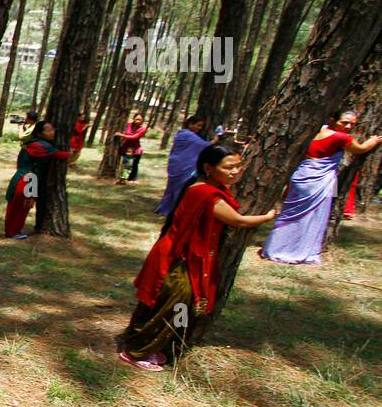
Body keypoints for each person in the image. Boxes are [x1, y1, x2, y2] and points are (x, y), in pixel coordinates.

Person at [118, 144, 277, 370]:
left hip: (184, 257)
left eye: (238, 166)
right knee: (171, 304)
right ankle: (137, 352)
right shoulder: (204, 192)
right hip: (176, 258)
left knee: (177, 304)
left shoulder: (212, 187)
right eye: (228, 167)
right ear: (208, 168)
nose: (235, 172)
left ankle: (161, 345)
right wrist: (268, 216)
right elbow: (237, 220)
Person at [259, 110, 382, 265]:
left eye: (352, 124)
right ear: (333, 120)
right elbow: (360, 149)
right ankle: (294, 249)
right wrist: (373, 141)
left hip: (300, 176)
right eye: (344, 122)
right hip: (317, 181)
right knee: (311, 216)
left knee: (290, 213)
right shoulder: (341, 137)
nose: (349, 126)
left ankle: (275, 246)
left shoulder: (317, 129)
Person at [3, 120, 69, 238]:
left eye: (52, 129)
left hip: (24, 177)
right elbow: (61, 155)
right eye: (47, 130)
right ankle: (13, 232)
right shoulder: (41, 146)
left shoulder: (32, 142)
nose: (52, 132)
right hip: (28, 178)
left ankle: (12, 231)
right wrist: (71, 153)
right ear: (39, 133)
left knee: (19, 205)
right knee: (22, 205)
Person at [155, 113, 210, 216]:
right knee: (178, 188)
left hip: (179, 163)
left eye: (201, 126)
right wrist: (216, 140)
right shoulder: (186, 134)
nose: (199, 128)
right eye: (198, 125)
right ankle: (171, 209)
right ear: (190, 123)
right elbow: (204, 145)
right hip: (182, 164)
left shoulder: (184, 134)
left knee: (174, 187)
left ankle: (167, 207)